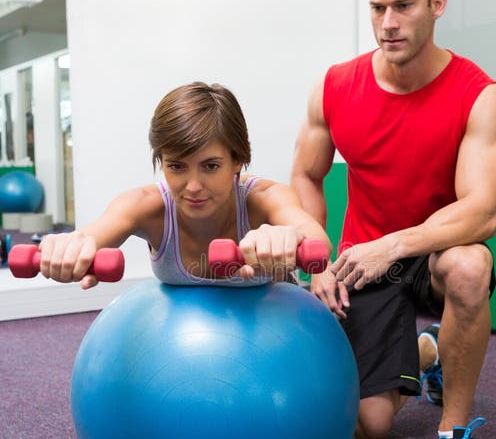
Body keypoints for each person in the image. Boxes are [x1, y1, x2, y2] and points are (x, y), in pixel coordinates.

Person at [291, 0, 496, 439]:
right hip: (367, 260)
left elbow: (483, 212)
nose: (388, 22)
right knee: (372, 427)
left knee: (469, 266)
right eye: (377, 7)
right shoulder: (335, 87)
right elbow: (305, 178)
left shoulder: (478, 95)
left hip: (434, 251)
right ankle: (430, 352)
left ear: (437, 5)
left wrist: (393, 245)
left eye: (404, 6)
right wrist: (315, 259)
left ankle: (454, 434)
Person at [38, 81, 331, 289]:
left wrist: (285, 237)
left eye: (211, 166)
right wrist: (65, 250)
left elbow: (316, 240)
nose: (192, 186)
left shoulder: (265, 198)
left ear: (239, 158)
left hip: (273, 342)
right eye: (176, 166)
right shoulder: (144, 205)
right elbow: (88, 238)